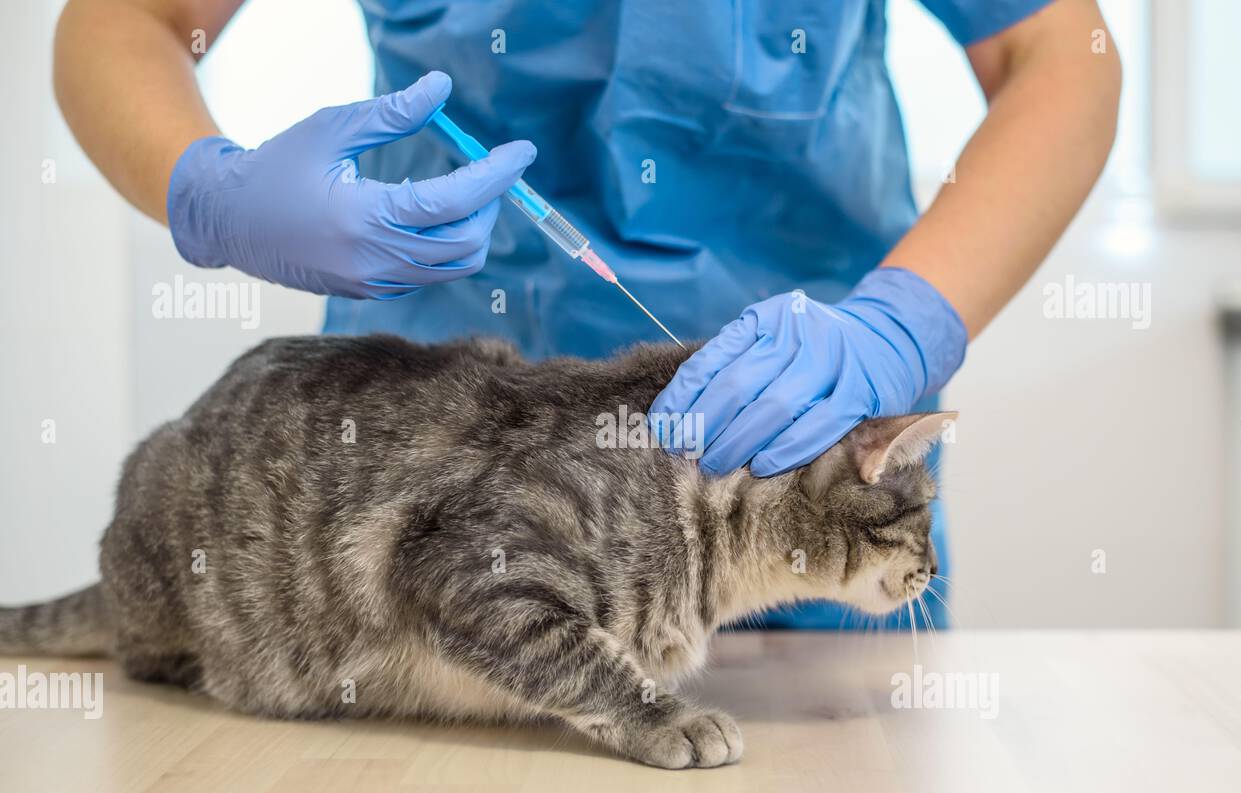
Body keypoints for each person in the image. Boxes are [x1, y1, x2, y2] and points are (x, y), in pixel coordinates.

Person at [54, 0, 1121, 629]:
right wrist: (209, 185)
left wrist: (908, 320)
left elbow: (1061, 56)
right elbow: (127, 21)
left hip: (808, 453)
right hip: (443, 470)